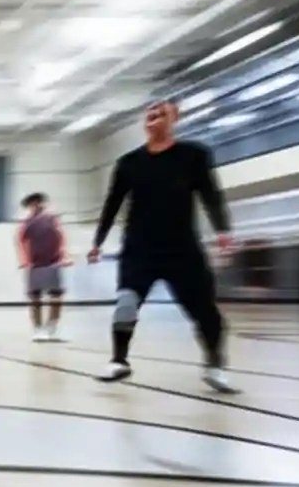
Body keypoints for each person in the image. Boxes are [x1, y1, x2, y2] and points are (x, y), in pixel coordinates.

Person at [88, 100, 238, 393]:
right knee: (126, 304)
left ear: (174, 118)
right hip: (139, 249)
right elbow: (112, 203)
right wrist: (98, 241)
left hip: (182, 249)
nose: (154, 120)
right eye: (150, 116)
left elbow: (211, 194)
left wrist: (223, 231)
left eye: (161, 115)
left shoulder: (194, 156)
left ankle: (215, 364)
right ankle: (119, 361)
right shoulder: (129, 163)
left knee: (204, 311)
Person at [16, 192, 70, 342]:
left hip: (53, 262)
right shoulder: (27, 223)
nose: (37, 205)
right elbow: (20, 241)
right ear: (29, 206)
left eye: (39, 202)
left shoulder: (52, 219)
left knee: (56, 296)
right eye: (33, 203)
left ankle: (51, 326)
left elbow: (61, 237)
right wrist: (25, 260)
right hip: (35, 264)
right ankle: (38, 328)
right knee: (35, 298)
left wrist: (63, 256)